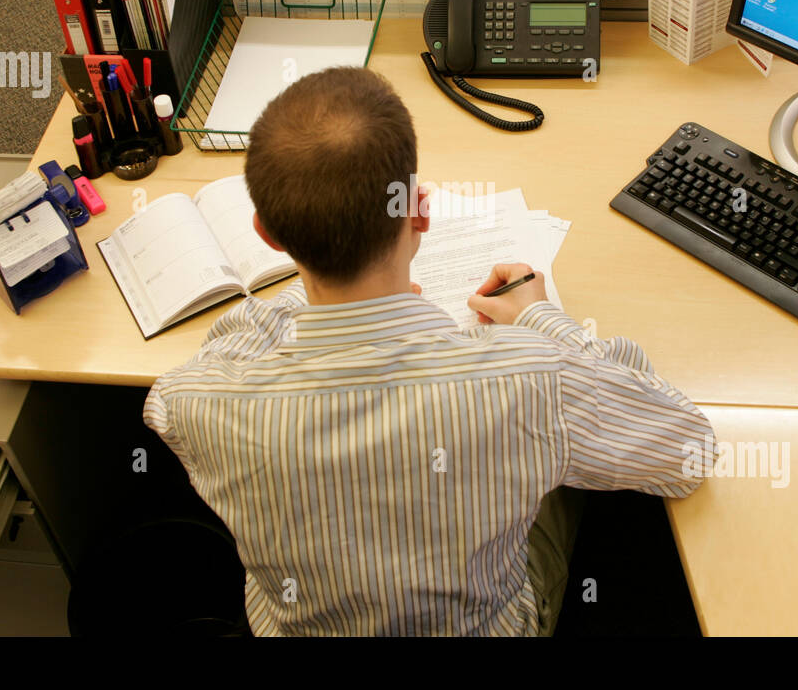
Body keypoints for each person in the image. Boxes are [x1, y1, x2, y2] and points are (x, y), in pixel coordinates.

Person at [144, 66, 714, 636]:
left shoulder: (195, 402)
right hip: (490, 622)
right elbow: (689, 449)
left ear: (266, 233)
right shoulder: (534, 381)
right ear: (419, 212)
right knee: (560, 462)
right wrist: (544, 319)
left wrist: (316, 298)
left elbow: (205, 364)